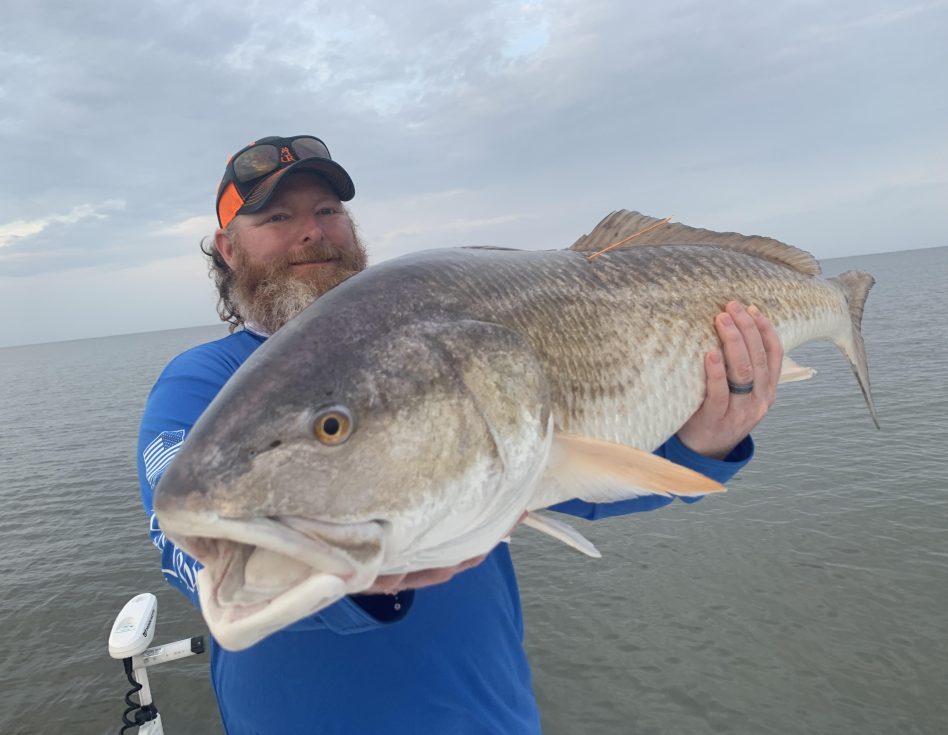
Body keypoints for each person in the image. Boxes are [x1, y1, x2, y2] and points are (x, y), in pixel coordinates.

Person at [137, 134, 783, 734]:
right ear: (228, 248)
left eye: (328, 209)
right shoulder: (201, 380)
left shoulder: (440, 345)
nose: (312, 231)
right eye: (276, 218)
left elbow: (581, 487)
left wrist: (707, 446)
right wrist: (348, 579)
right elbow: (187, 533)